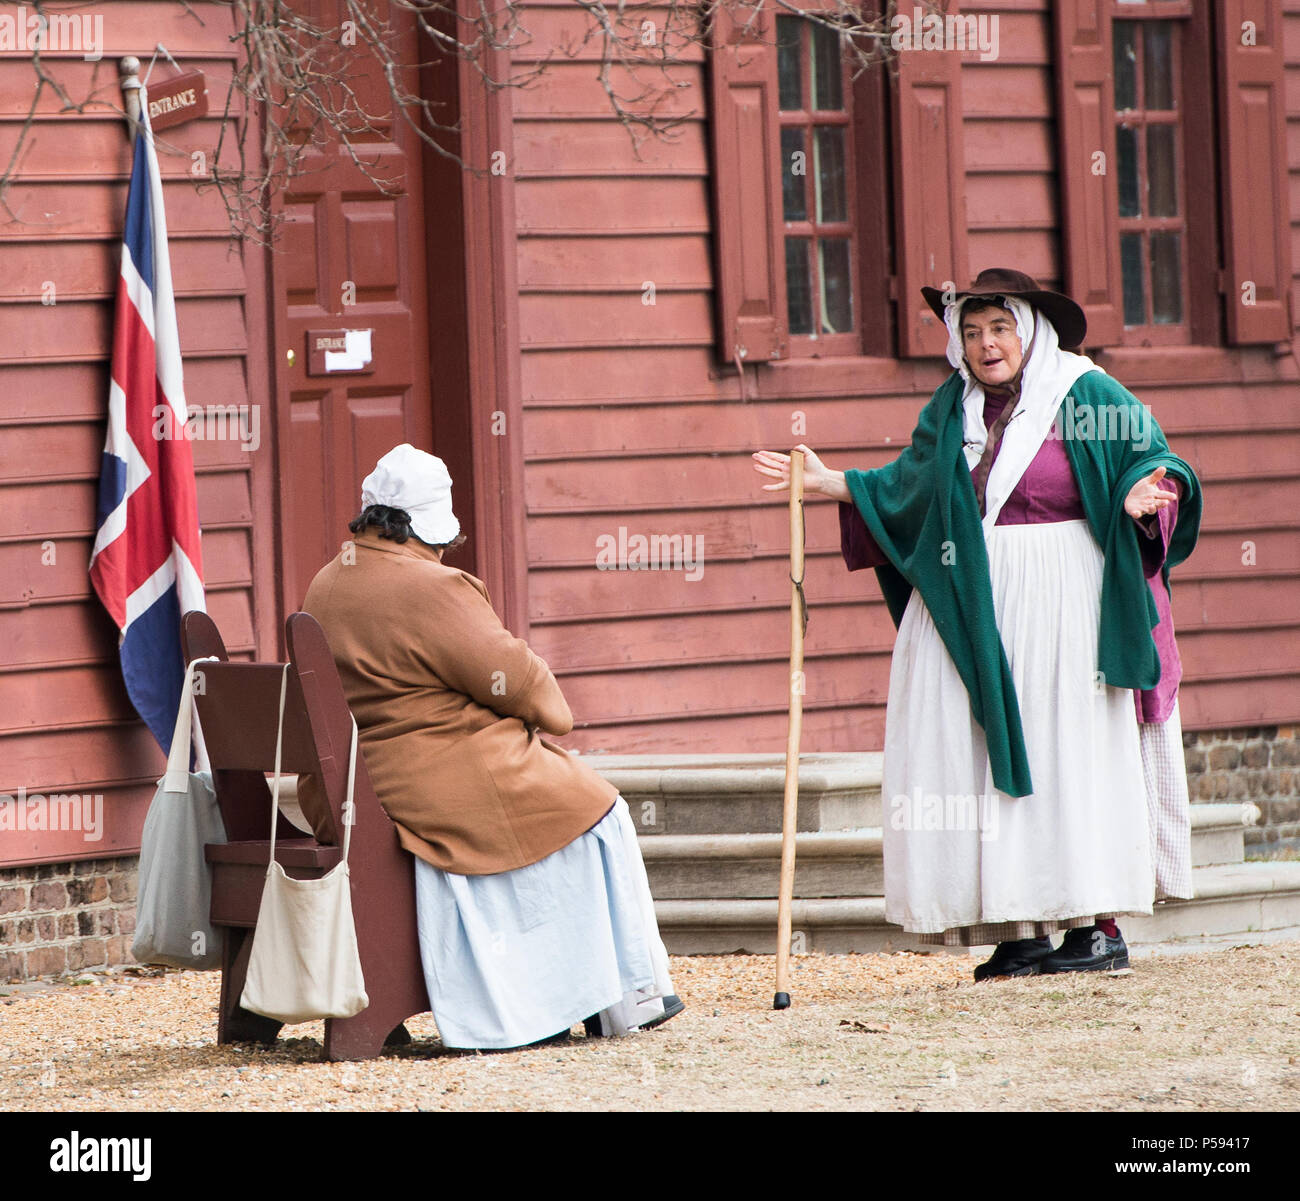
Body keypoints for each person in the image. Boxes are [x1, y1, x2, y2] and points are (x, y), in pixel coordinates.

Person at [752, 268, 1200, 979]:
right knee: (981, 753)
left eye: (998, 328)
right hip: (978, 597)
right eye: (971, 331)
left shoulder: (1082, 393)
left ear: (1028, 331)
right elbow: (913, 490)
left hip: (1067, 601)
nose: (986, 344)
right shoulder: (953, 410)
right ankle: (1020, 924)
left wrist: (1152, 493)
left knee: (1069, 750)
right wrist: (833, 483)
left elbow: (1154, 460)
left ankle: (1095, 925)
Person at [300, 444, 682, 1048]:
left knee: (562, 793)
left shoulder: (328, 580)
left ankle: (573, 995)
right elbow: (519, 680)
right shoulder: (431, 587)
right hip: (436, 782)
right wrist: (545, 713)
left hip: (356, 783)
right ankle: (609, 998)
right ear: (425, 525)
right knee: (598, 807)